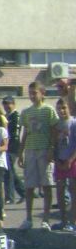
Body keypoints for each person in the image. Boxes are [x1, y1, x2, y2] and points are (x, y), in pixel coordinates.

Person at [18, 81, 58, 230]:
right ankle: (28, 218)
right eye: (30, 93)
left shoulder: (48, 110)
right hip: (30, 150)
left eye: (35, 93)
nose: (32, 96)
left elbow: (54, 130)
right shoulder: (26, 112)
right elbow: (25, 133)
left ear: (42, 93)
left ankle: (45, 220)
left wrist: (51, 148)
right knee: (29, 186)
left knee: (46, 185)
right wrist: (20, 153)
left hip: (44, 150)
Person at [53, 98, 76, 232]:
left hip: (72, 161)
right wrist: (57, 161)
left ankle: (73, 221)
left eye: (64, 108)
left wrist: (70, 160)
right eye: (59, 109)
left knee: (73, 191)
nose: (62, 111)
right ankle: (63, 220)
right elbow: (54, 145)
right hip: (60, 161)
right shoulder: (57, 126)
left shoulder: (73, 123)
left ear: (70, 109)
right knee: (60, 191)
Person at [2, 95, 22, 203]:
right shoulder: (6, 116)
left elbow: (15, 133)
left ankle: (10, 197)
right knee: (10, 171)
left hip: (13, 147)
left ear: (13, 104)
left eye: (9, 103)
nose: (7, 106)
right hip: (7, 147)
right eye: (5, 104)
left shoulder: (16, 116)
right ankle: (23, 192)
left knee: (9, 171)